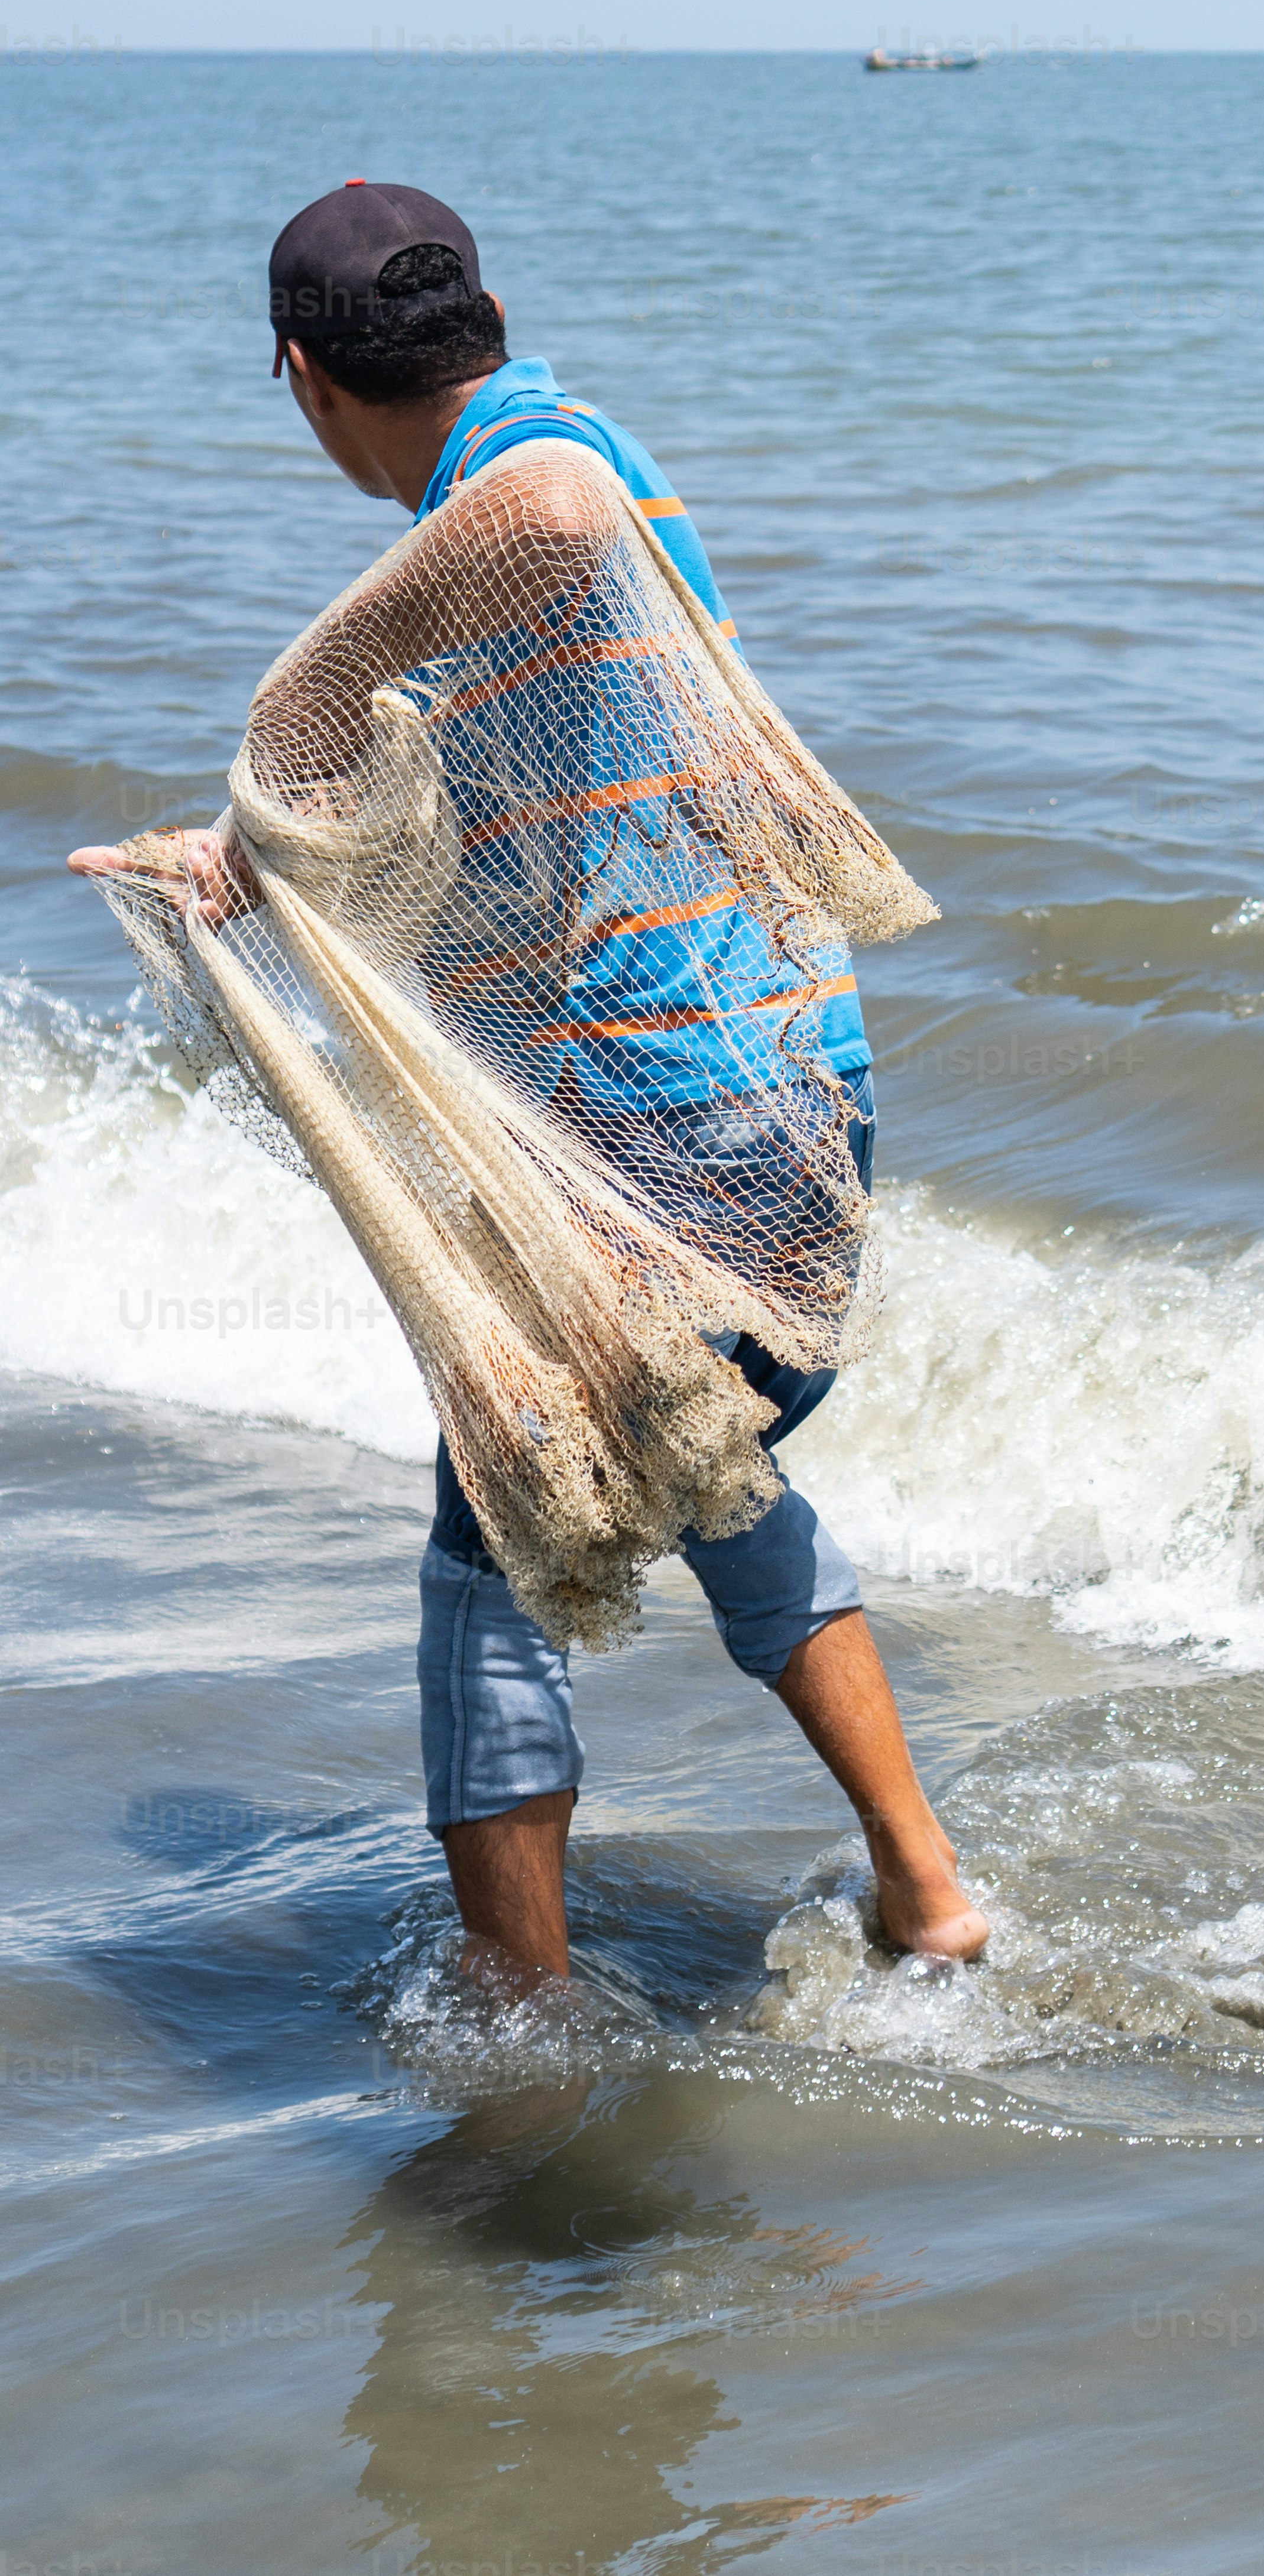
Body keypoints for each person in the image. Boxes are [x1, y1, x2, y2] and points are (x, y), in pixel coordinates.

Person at [72, 181, 987, 1990]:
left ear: (302, 375)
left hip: (678, 1108)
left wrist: (304, 696)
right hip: (766, 1077)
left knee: (497, 1522)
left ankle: (519, 2006)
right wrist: (253, 856)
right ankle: (928, 1897)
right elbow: (504, 801)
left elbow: (542, 526)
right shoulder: (558, 472)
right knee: (704, 1470)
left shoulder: (542, 464)